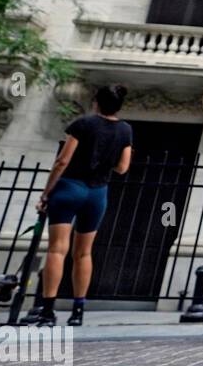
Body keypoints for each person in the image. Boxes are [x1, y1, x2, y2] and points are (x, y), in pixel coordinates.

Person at [34, 84, 134, 327]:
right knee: (84, 253)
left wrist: (46, 194)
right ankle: (78, 311)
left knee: (57, 249)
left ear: (95, 102)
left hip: (70, 187)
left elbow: (62, 161)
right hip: (97, 192)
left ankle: (47, 311)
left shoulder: (83, 124)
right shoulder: (125, 130)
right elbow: (122, 168)